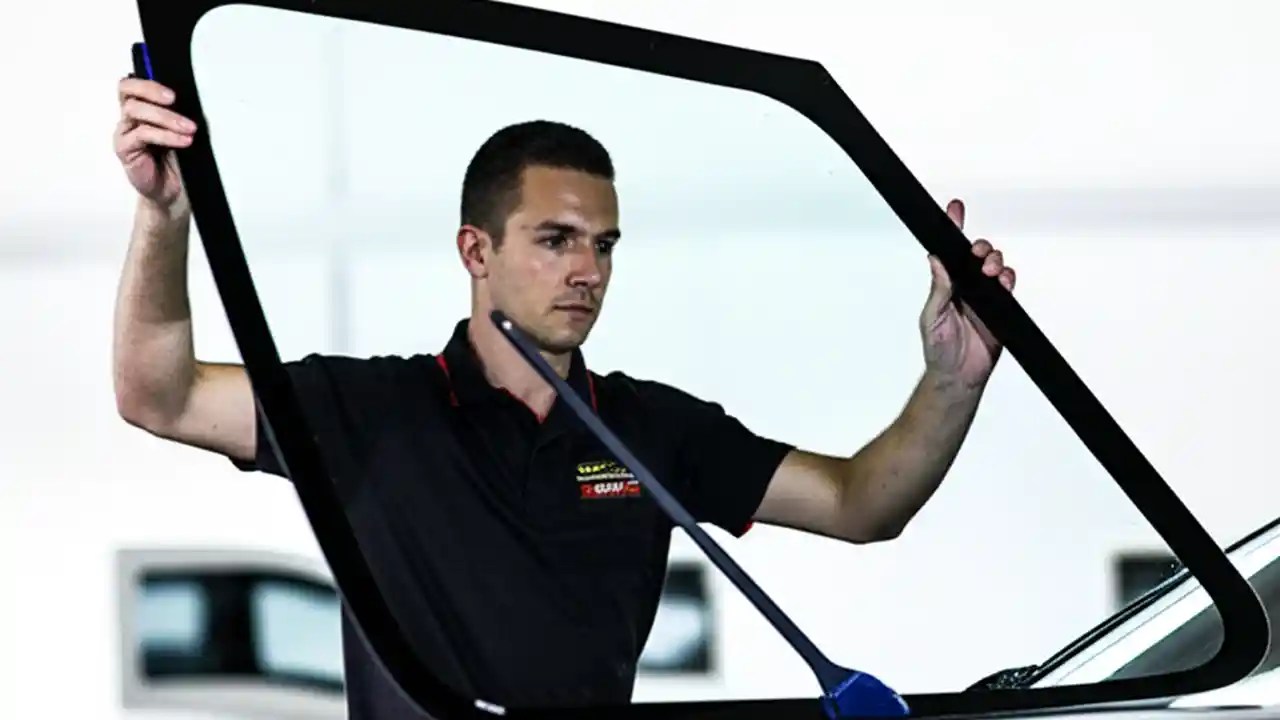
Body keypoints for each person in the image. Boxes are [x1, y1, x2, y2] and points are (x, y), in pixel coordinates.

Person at [111, 75, 1017, 718]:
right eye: (556, 239)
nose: (588, 271)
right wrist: (164, 218)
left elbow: (863, 503)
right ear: (476, 252)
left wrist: (953, 381)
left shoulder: (652, 427)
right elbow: (160, 394)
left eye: (606, 245)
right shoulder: (370, 411)